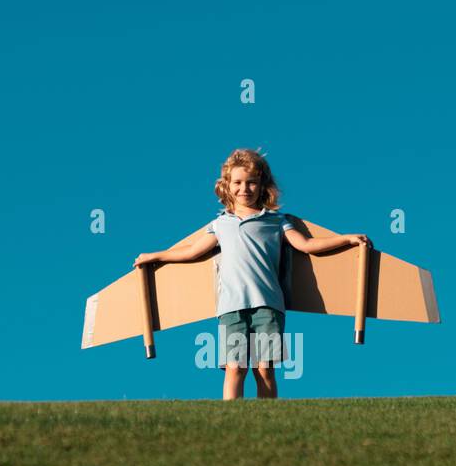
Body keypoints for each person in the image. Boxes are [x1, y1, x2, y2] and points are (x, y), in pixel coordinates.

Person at [133, 148, 371, 400]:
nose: (244, 189)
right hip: (231, 308)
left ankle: (266, 419)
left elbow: (306, 245)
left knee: (264, 369)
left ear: (261, 186)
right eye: (237, 182)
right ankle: (232, 421)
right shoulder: (219, 224)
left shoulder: (277, 221)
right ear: (227, 186)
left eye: (251, 183)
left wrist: (345, 239)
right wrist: (154, 256)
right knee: (235, 368)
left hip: (268, 305)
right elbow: (192, 252)